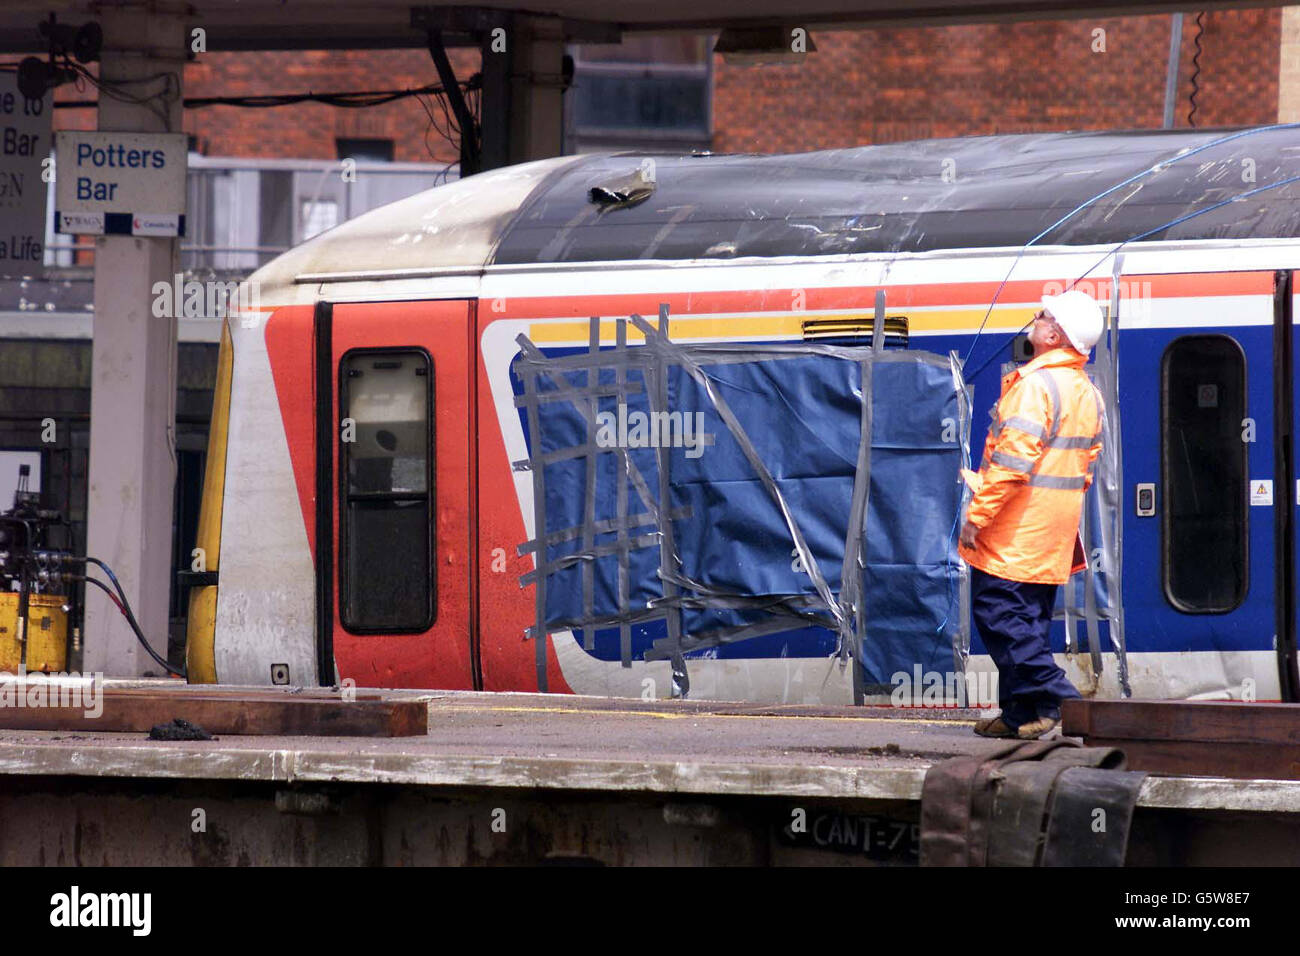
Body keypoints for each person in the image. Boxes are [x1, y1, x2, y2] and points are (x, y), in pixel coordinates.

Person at [958, 289, 1106, 739]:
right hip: (1053, 534)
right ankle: (1022, 714)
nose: (1035, 320)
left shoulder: (1036, 387)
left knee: (1000, 616)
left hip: (1015, 533)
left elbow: (1009, 466)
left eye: (1042, 315)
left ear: (1054, 333)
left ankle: (1064, 701)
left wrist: (977, 517)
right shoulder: (1086, 392)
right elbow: (1086, 467)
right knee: (1028, 624)